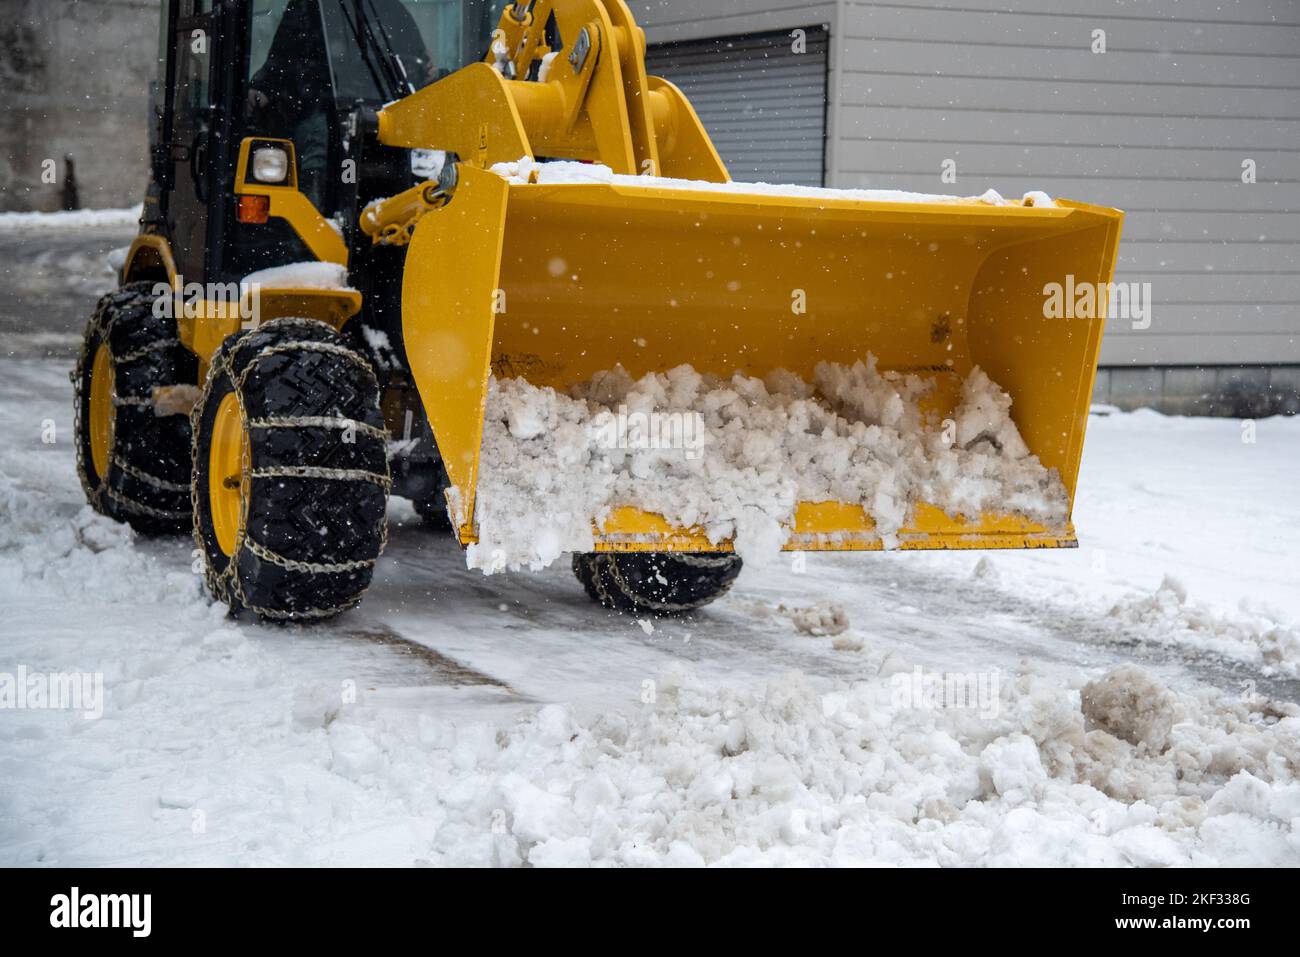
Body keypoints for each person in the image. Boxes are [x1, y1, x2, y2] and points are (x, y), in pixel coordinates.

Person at [247, 0, 436, 210]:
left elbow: (419, 63)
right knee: (317, 147)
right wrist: (263, 87)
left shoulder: (390, 10)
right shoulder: (309, 8)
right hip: (320, 108)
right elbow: (282, 59)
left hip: (381, 111)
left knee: (421, 159)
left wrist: (425, 78)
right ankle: (312, 220)